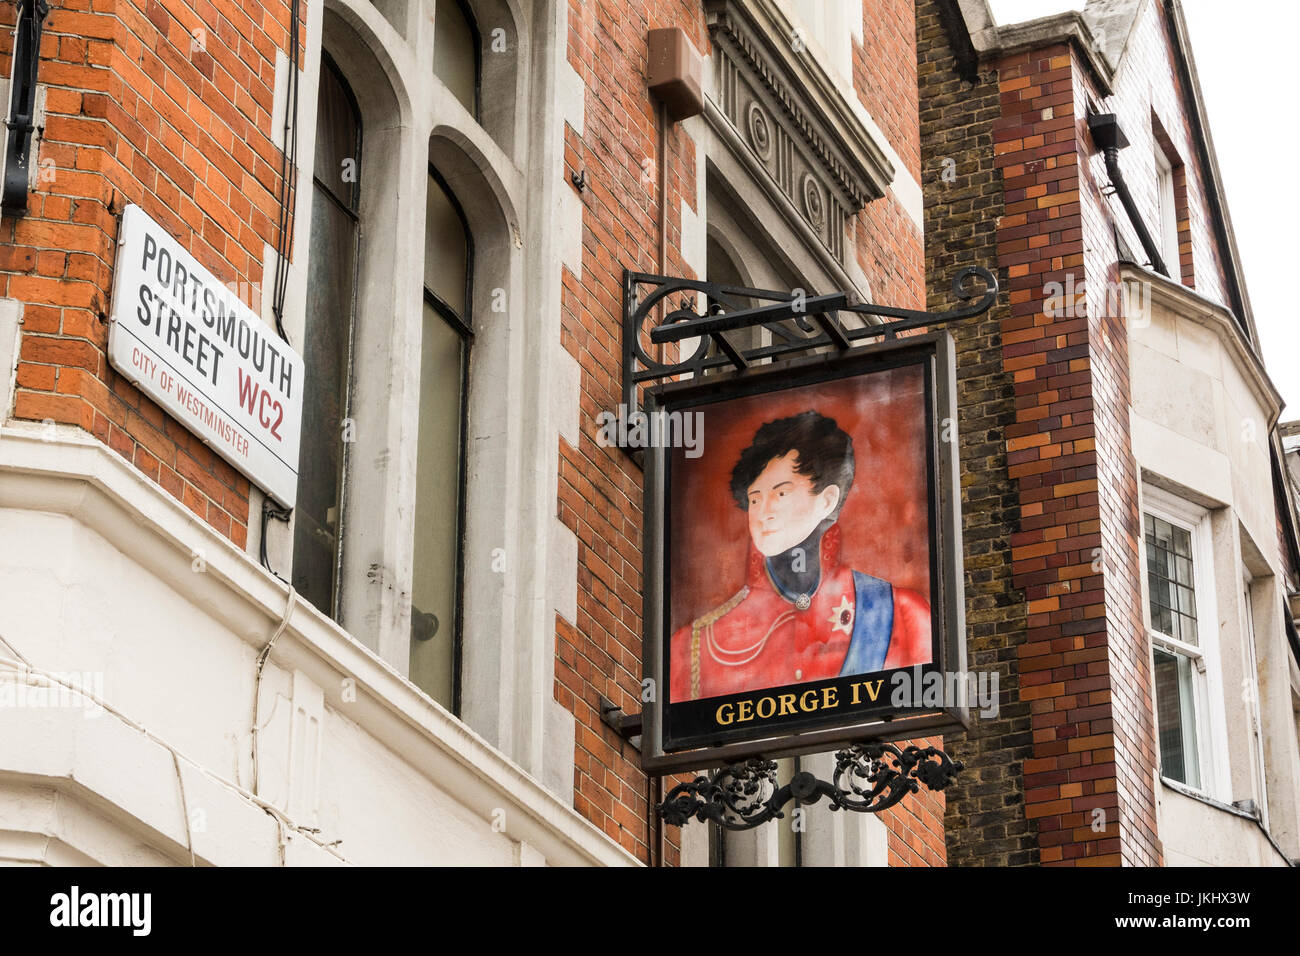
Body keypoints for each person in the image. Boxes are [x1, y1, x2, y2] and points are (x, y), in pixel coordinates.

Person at [670, 410, 931, 702]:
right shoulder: (694, 645)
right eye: (755, 498)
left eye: (781, 494)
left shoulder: (903, 616)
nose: (763, 513)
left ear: (827, 500)